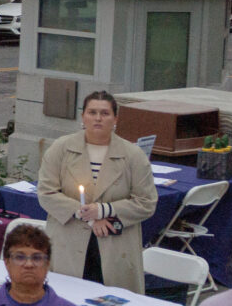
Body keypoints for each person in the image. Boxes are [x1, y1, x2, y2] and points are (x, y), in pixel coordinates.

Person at [37, 90, 158, 289]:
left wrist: (103, 211)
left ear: (115, 118)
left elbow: (146, 202)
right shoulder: (60, 148)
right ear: (83, 116)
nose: (98, 118)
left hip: (115, 248)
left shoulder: (133, 155)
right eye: (92, 112)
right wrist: (90, 216)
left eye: (105, 113)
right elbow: (46, 193)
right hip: (69, 245)